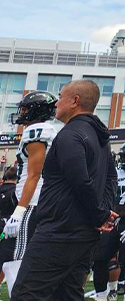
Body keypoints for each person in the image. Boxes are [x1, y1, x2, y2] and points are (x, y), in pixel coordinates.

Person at [10, 80, 117, 301]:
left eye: (61, 97)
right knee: (67, 295)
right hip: (85, 232)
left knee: (26, 294)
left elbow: (80, 180)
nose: (57, 103)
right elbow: (110, 178)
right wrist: (102, 213)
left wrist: (100, 214)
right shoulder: (99, 137)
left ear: (75, 101)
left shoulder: (70, 134)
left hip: (59, 230)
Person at [3, 90, 64, 291]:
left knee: (15, 258)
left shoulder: (37, 130)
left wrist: (19, 211)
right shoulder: (49, 130)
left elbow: (34, 175)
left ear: (36, 110)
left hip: (32, 203)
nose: (22, 113)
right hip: (42, 201)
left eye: (26, 108)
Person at [89, 141, 125, 300]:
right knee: (100, 259)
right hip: (112, 219)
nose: (123, 160)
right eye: (122, 156)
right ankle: (102, 296)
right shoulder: (116, 171)